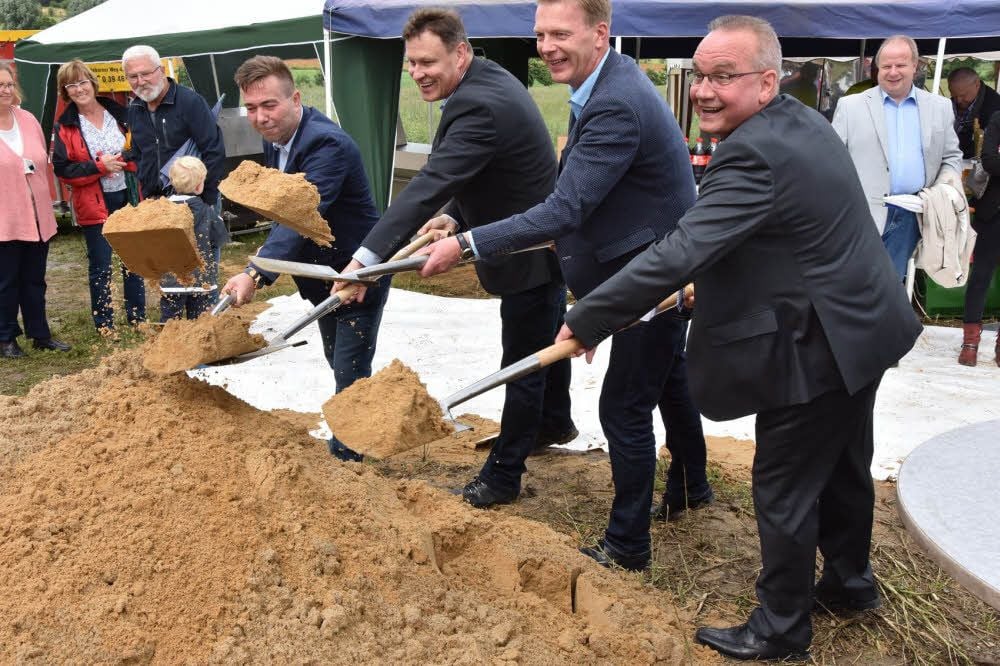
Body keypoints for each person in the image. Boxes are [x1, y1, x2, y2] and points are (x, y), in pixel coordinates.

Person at [546, 15, 922, 661]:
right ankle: (850, 584)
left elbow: (682, 248)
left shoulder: (752, 153)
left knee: (782, 484)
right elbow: (784, 234)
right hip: (866, 323)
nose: (705, 90)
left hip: (825, 342)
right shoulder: (800, 121)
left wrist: (589, 317)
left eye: (726, 76)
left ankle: (780, 627)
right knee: (843, 467)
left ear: (767, 82)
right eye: (701, 75)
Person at [416, 0, 710, 572]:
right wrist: (459, 216)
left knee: (624, 406)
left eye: (560, 33)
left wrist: (469, 242)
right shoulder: (602, 84)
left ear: (600, 34)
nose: (546, 45)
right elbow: (578, 189)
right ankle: (692, 485)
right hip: (650, 262)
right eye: (540, 34)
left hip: (652, 272)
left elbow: (566, 208)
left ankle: (627, 547)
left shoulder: (616, 102)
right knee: (670, 378)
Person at [332, 7, 576, 502]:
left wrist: (365, 260)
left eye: (428, 62)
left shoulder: (479, 103)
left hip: (527, 249)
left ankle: (504, 475)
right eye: (411, 64)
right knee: (545, 337)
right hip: (538, 244)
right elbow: (478, 170)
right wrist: (453, 215)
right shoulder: (483, 82)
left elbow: (428, 183)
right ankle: (554, 423)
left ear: (460, 53)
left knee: (524, 363)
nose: (418, 73)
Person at [220, 56, 389, 460]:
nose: (260, 117)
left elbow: (298, 218)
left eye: (270, 105)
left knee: (349, 371)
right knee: (337, 358)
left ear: (295, 98)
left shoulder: (325, 144)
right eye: (252, 108)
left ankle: (347, 463)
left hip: (355, 273)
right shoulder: (277, 140)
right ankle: (358, 437)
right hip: (317, 275)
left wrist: (254, 273)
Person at [832, 35, 962, 281]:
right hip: (860, 214)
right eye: (886, 66)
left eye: (900, 65)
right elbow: (831, 159)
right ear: (877, 69)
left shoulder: (940, 107)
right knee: (855, 286)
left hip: (911, 215)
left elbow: (951, 156)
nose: (892, 72)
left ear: (915, 65)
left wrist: (941, 194)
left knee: (890, 288)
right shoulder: (850, 106)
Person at [122, 44, 228, 296]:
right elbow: (139, 153)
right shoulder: (135, 109)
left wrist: (206, 199)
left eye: (146, 73)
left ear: (160, 70)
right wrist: (148, 194)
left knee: (203, 268)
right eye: (133, 76)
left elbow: (213, 150)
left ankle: (204, 324)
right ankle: (177, 326)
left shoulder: (190, 102)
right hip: (160, 204)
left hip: (198, 200)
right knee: (170, 272)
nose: (140, 81)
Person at [52, 59, 146, 332]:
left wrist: (124, 161)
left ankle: (137, 317)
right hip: (94, 201)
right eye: (72, 85)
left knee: (133, 259)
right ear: (65, 91)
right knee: (101, 264)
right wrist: (98, 167)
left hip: (128, 195)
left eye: (83, 82)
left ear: (92, 82)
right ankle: (104, 323)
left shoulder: (120, 114)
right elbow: (64, 169)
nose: (79, 89)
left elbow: (141, 149)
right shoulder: (66, 126)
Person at [0, 63, 71, 358]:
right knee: (6, 282)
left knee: (35, 279)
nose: (5, 90)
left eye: (8, 84)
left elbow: (41, 161)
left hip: (37, 215)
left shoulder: (27, 119)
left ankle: (39, 333)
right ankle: (5, 338)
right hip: (5, 218)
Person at [959, 109, 1000, 367]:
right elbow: (989, 161)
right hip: (993, 211)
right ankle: (970, 342)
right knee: (980, 276)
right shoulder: (998, 116)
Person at [159, 156, 222, 320]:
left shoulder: (162, 210)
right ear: (199, 185)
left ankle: (168, 345)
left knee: (170, 322)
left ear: (172, 181)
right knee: (199, 321)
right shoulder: (205, 211)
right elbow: (218, 238)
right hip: (200, 280)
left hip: (171, 279)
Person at [947, 67, 1000, 159]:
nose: (958, 100)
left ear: (977, 85)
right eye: (954, 95)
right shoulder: (948, 104)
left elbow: (987, 146)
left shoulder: (994, 108)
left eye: (963, 95)